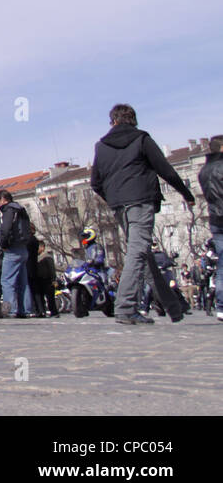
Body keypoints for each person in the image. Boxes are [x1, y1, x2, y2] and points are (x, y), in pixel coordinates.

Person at [89, 104, 195, 325]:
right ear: (133, 120)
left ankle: (175, 307)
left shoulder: (101, 146)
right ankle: (125, 307)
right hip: (140, 201)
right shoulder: (141, 139)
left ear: (113, 121)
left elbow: (95, 183)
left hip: (119, 206)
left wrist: (113, 197)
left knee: (144, 256)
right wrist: (186, 193)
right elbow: (164, 168)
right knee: (138, 253)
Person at [0, 189, 34, 318]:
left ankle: (11, 310)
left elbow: (6, 230)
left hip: (12, 249)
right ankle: (26, 309)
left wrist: (4, 245)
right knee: (23, 282)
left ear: (2, 200)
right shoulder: (21, 210)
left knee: (7, 281)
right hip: (23, 248)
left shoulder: (9, 210)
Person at [32, 239, 58, 317]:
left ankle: (54, 312)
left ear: (42, 247)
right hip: (38, 280)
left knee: (50, 298)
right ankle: (41, 311)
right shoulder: (35, 258)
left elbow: (52, 269)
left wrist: (53, 279)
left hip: (48, 280)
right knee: (39, 297)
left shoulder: (47, 257)